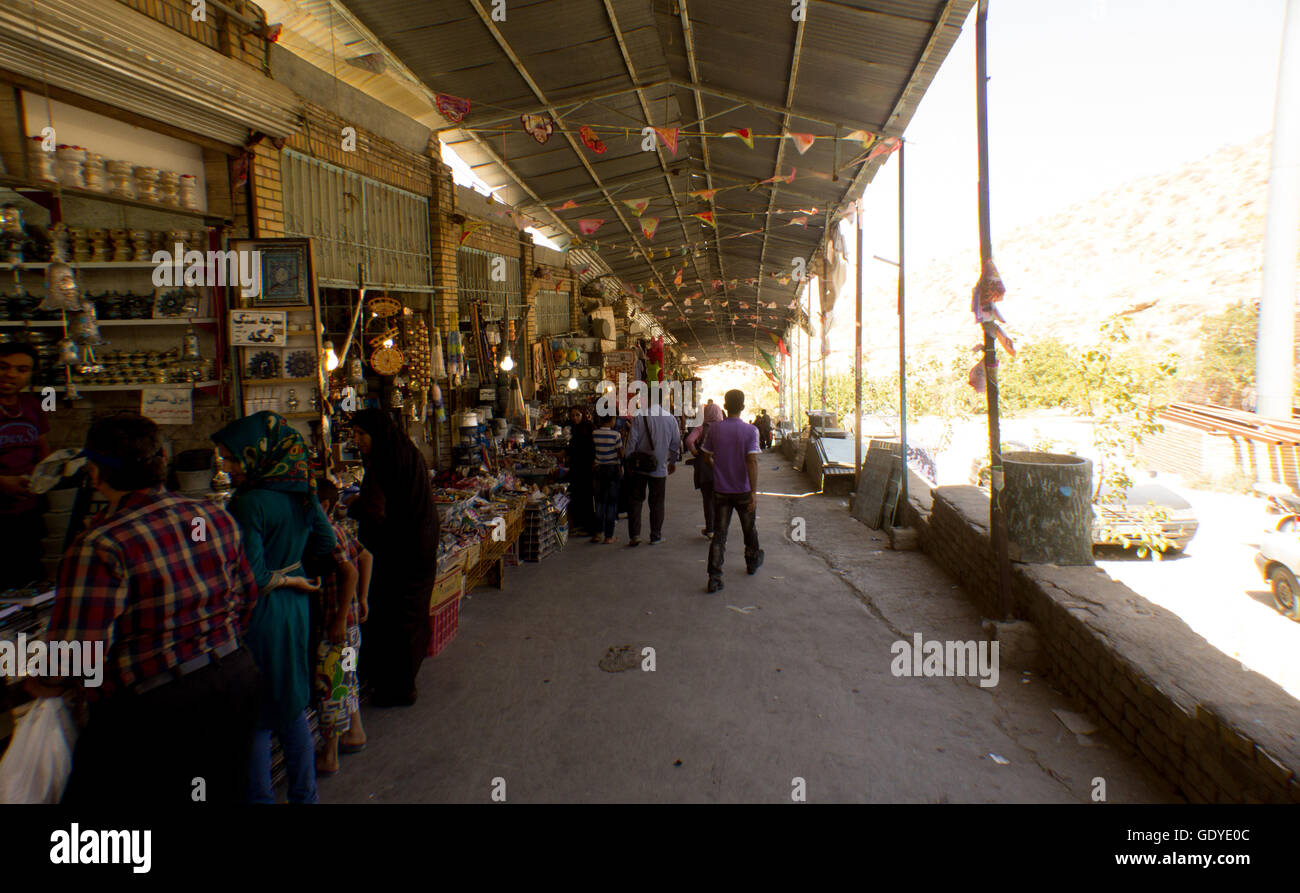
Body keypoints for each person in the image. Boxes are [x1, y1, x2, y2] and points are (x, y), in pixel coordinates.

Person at [34, 414, 261, 804]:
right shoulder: (209, 516)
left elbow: (77, 656)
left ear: (93, 472)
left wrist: (40, 682)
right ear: (162, 461)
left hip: (158, 707)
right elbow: (245, 597)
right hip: (231, 678)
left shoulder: (103, 543)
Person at [212, 411, 337, 804]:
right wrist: (297, 571)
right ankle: (305, 796)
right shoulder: (302, 493)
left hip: (261, 613)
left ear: (257, 455)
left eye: (232, 460)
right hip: (295, 610)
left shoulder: (247, 503)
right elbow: (326, 544)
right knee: (291, 705)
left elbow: (255, 577)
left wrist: (285, 577)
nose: (227, 470)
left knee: (256, 717)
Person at [346, 409, 439, 707]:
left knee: (397, 614)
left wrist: (352, 506)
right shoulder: (404, 451)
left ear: (378, 433)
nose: (356, 440)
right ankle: (402, 680)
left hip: (403, 549)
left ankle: (397, 686)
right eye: (354, 434)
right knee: (411, 612)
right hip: (418, 544)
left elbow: (376, 510)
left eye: (361, 434)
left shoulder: (384, 461)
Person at [312, 478, 370, 776]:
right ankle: (355, 732)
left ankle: (330, 756)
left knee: (331, 686)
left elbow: (349, 571)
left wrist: (340, 615)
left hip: (338, 626)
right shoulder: (339, 530)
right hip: (350, 625)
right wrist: (362, 600)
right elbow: (365, 556)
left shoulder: (326, 537)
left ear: (323, 506)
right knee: (346, 679)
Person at [700, 389, 764, 592]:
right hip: (743, 490)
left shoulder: (715, 430)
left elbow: (707, 456)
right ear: (743, 407)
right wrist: (754, 492)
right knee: (749, 529)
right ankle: (752, 562)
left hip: (721, 490)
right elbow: (752, 460)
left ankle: (715, 577)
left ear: (725, 407)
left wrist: (718, 468)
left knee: (719, 534)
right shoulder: (750, 431)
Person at [0, 342, 50, 589]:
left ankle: (23, 630)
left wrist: (45, 476)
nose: (11, 374)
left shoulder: (32, 404)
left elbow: (41, 448)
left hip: (26, 511)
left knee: (26, 579)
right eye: (3, 367)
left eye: (21, 369)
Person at [623, 387, 682, 546]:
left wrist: (628, 461)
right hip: (659, 468)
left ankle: (635, 535)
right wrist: (672, 462)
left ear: (647, 399)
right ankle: (655, 535)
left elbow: (631, 442)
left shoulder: (639, 417)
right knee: (657, 503)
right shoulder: (670, 419)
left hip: (638, 467)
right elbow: (676, 443)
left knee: (636, 500)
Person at [685, 402, 724, 538]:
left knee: (707, 499)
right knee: (720, 500)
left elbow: (689, 441)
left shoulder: (701, 427)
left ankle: (710, 529)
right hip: (720, 468)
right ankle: (720, 529)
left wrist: (695, 452)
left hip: (704, 468)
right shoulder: (724, 428)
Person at [590, 411, 623, 544]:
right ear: (612, 420)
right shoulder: (616, 435)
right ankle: (609, 536)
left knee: (599, 502)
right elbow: (621, 453)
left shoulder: (595, 434)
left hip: (599, 470)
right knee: (611, 503)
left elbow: (593, 451)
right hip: (612, 470)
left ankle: (598, 533)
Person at [565, 405, 595, 536]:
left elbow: (591, 448)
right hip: (576, 468)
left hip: (586, 468)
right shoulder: (573, 429)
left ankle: (588, 527)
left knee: (586, 498)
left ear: (582, 415)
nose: (575, 418)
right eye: (573, 415)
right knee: (578, 496)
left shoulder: (588, 428)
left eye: (577, 415)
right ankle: (580, 525)